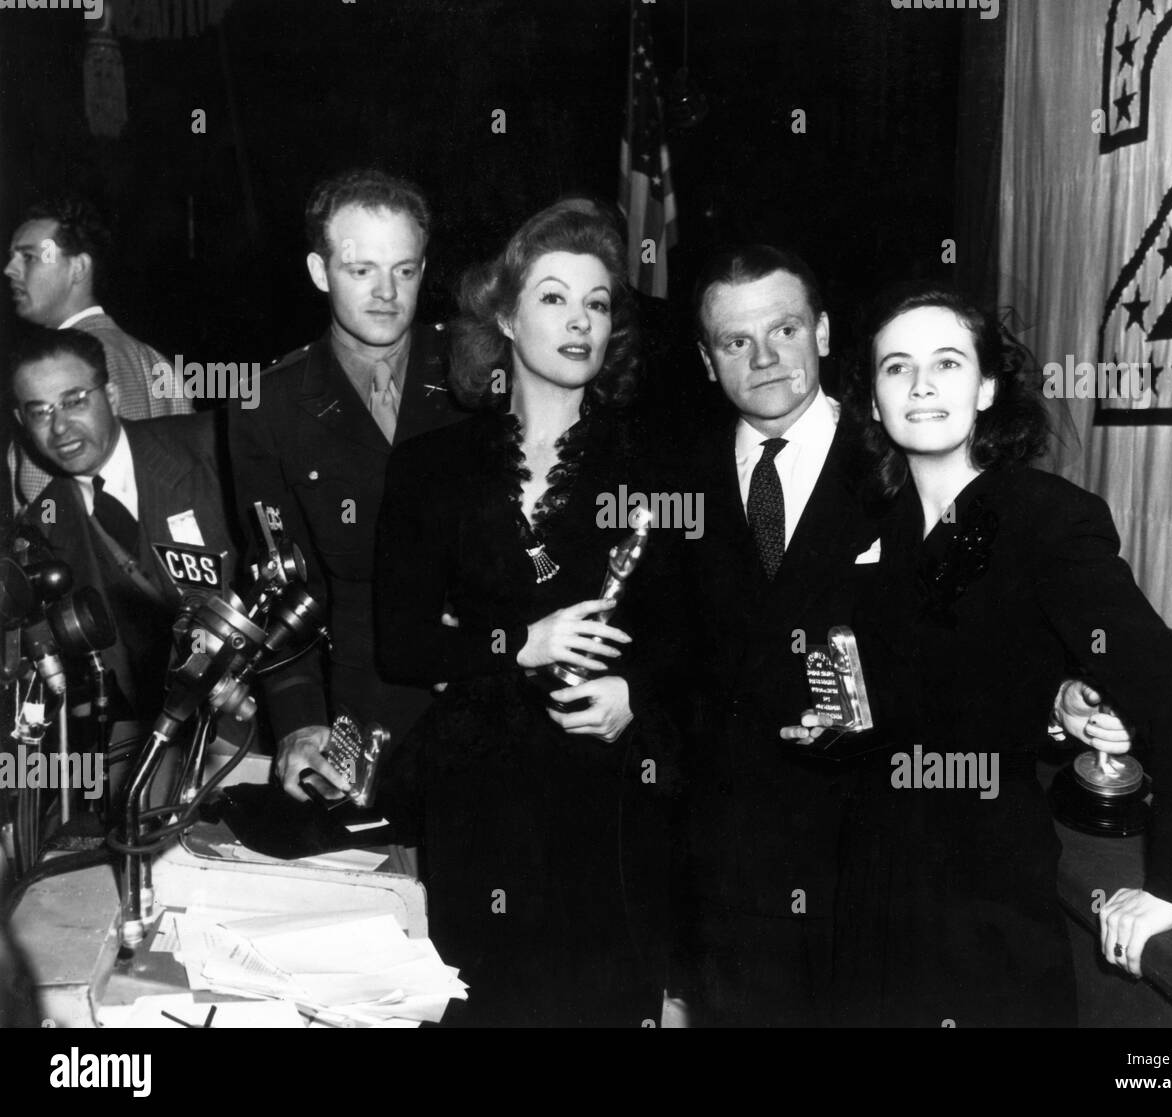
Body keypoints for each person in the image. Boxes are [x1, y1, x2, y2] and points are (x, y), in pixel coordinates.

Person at [673, 248, 1125, 1027]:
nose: (765, 357)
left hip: (887, 873)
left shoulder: (914, 450)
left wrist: (1057, 694)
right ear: (707, 359)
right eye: (735, 341)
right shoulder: (672, 477)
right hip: (734, 887)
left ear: (822, 332)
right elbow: (666, 663)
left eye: (784, 329)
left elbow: (1000, 620)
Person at [785, 286, 1172, 1026]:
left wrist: (1169, 887)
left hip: (984, 885)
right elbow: (933, 684)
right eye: (897, 367)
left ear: (986, 388)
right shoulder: (873, 521)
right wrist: (835, 730)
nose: (921, 385)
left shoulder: (1047, 516)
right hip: (869, 874)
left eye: (947, 363)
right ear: (874, 400)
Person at [373, 199, 686, 1026]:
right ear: (506, 318)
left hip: (609, 792)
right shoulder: (431, 467)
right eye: (554, 297)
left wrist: (638, 693)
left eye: (597, 303)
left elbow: (703, 631)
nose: (580, 320)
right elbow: (402, 644)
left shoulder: (660, 463)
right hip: (477, 789)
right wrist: (519, 641)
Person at [226, 168, 464, 802]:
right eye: (361, 270)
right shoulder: (268, 406)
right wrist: (299, 718)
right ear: (319, 271)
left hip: (488, 688)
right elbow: (279, 579)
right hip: (362, 714)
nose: (387, 292)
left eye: (404, 270)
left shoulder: (479, 375)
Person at [10, 328, 235, 728]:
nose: (59, 427)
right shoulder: (43, 524)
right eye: (40, 412)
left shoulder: (212, 446)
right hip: (174, 736)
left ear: (112, 396)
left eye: (74, 401)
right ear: (22, 422)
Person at [5, 196, 189, 507]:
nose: (10, 269)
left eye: (29, 257)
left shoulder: (50, 377)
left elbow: (48, 515)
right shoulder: (154, 360)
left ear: (78, 267)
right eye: (12, 257)